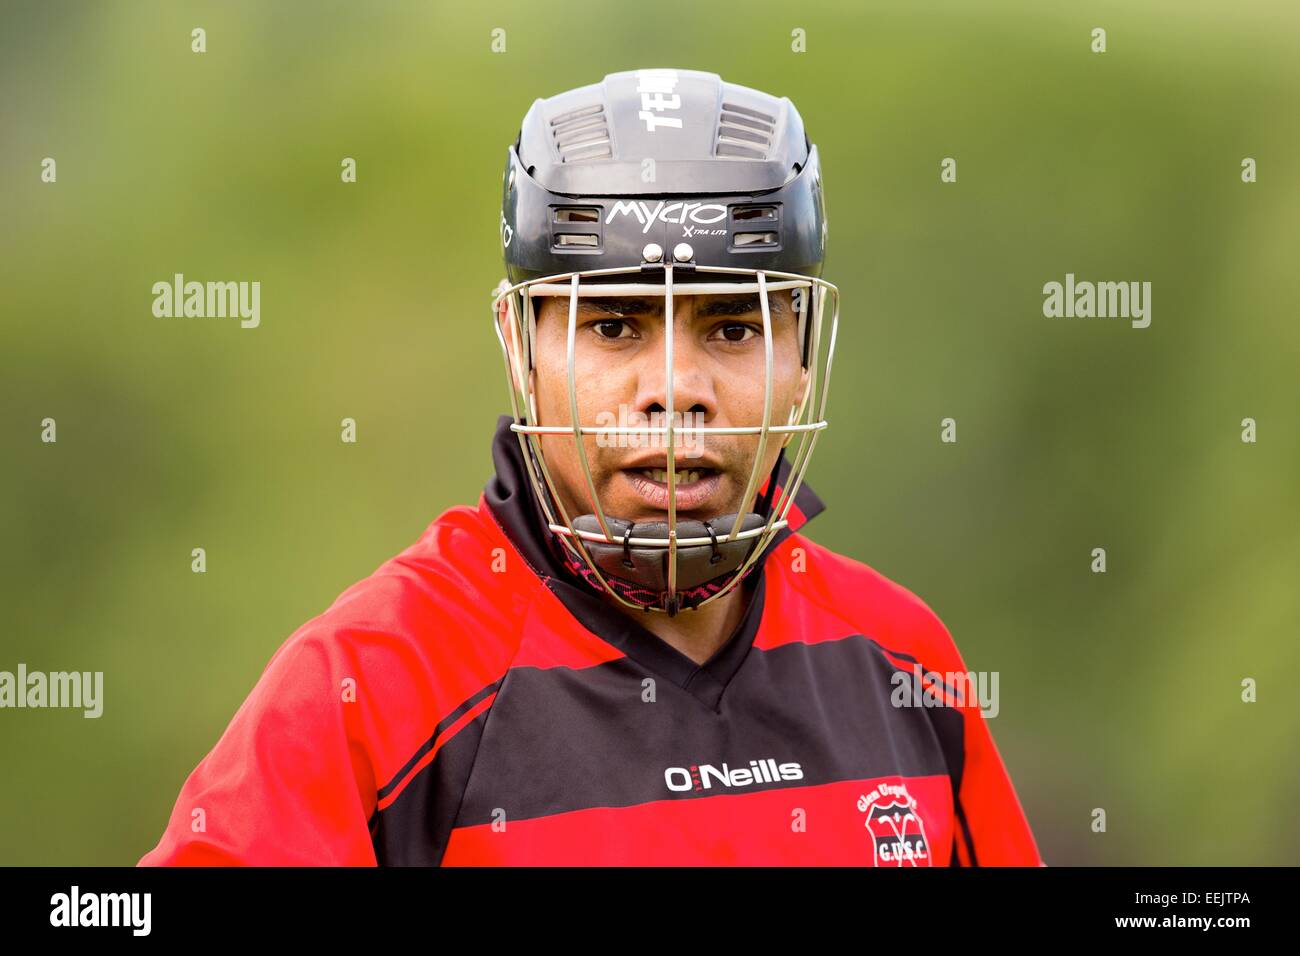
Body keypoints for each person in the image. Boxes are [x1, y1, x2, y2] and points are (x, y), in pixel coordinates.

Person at [139, 67, 1042, 866]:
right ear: (519, 345)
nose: (676, 389)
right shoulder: (364, 689)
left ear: (802, 357)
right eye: (613, 326)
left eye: (732, 327)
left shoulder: (901, 660)